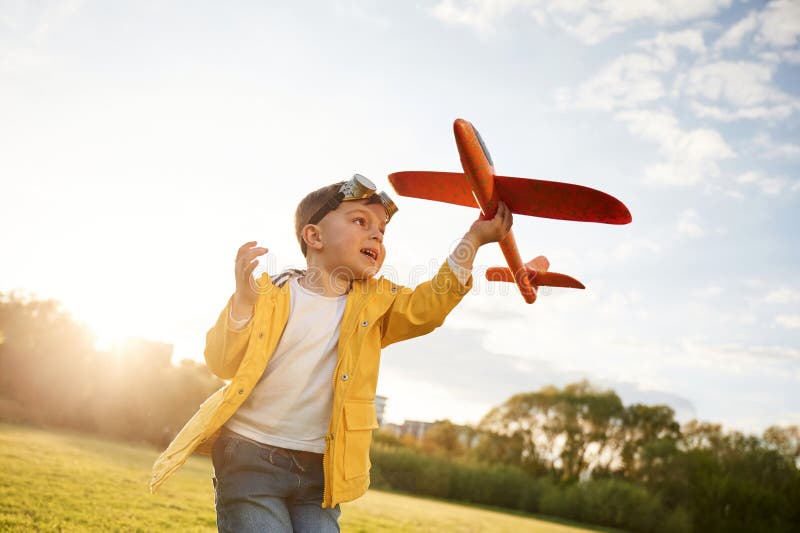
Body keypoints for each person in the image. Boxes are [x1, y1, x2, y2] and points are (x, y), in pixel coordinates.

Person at [150, 174, 513, 532]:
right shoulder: (268, 294)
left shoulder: (378, 305)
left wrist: (473, 240)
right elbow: (222, 362)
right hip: (249, 456)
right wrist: (243, 305)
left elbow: (429, 305)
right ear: (315, 236)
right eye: (360, 221)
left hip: (320, 470)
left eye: (382, 231)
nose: (376, 235)